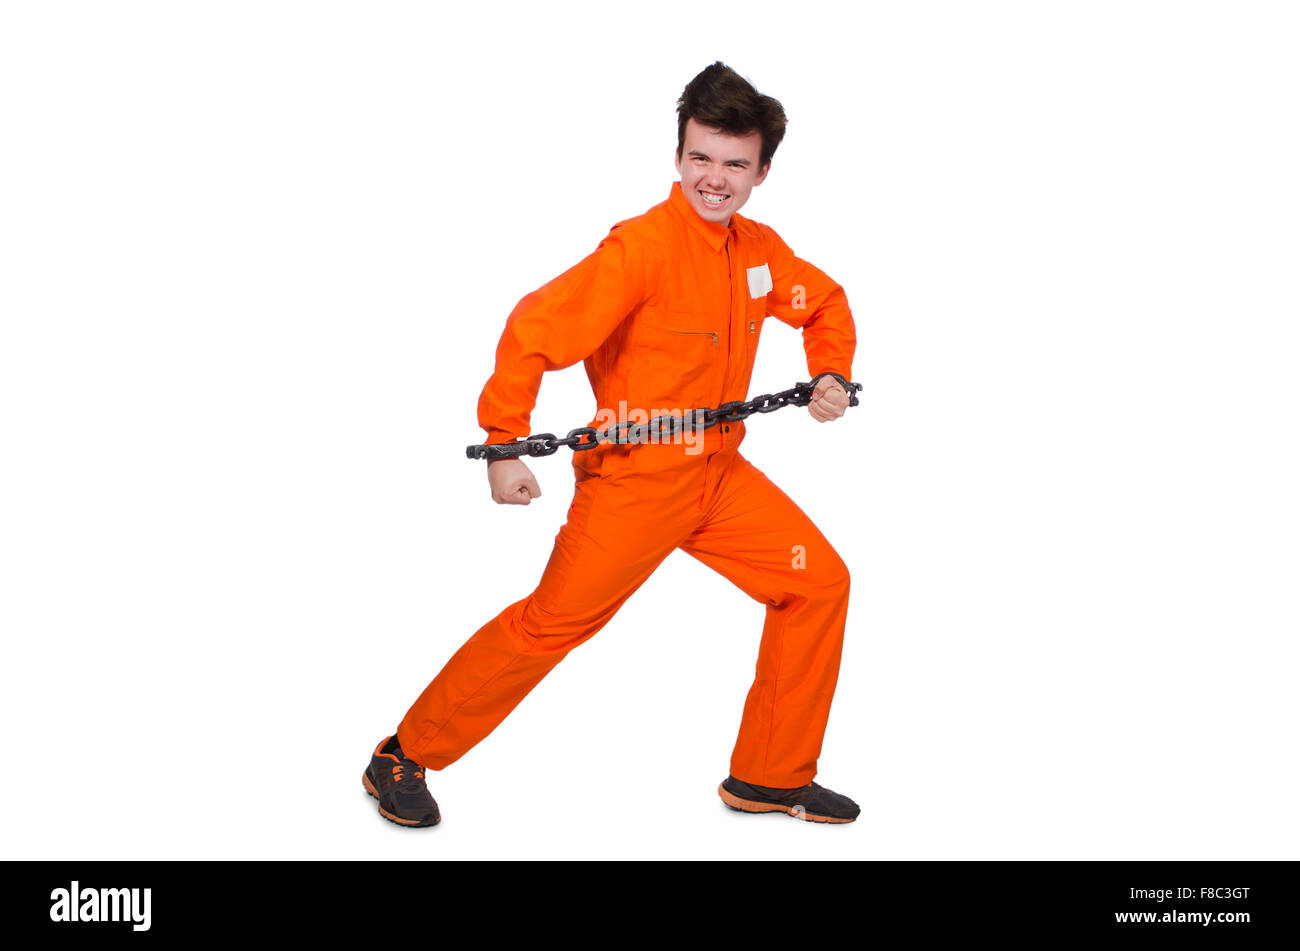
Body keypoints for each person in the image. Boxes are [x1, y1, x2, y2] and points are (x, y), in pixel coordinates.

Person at [363, 61, 859, 827]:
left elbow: (821, 301)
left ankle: (770, 774)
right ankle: (405, 751)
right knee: (550, 624)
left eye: (734, 163)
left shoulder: (760, 254)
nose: (714, 179)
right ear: (678, 156)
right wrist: (503, 445)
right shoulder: (643, 250)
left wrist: (829, 372)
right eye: (700, 157)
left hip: (720, 478)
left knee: (816, 582)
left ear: (762, 170)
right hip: (637, 484)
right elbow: (536, 327)